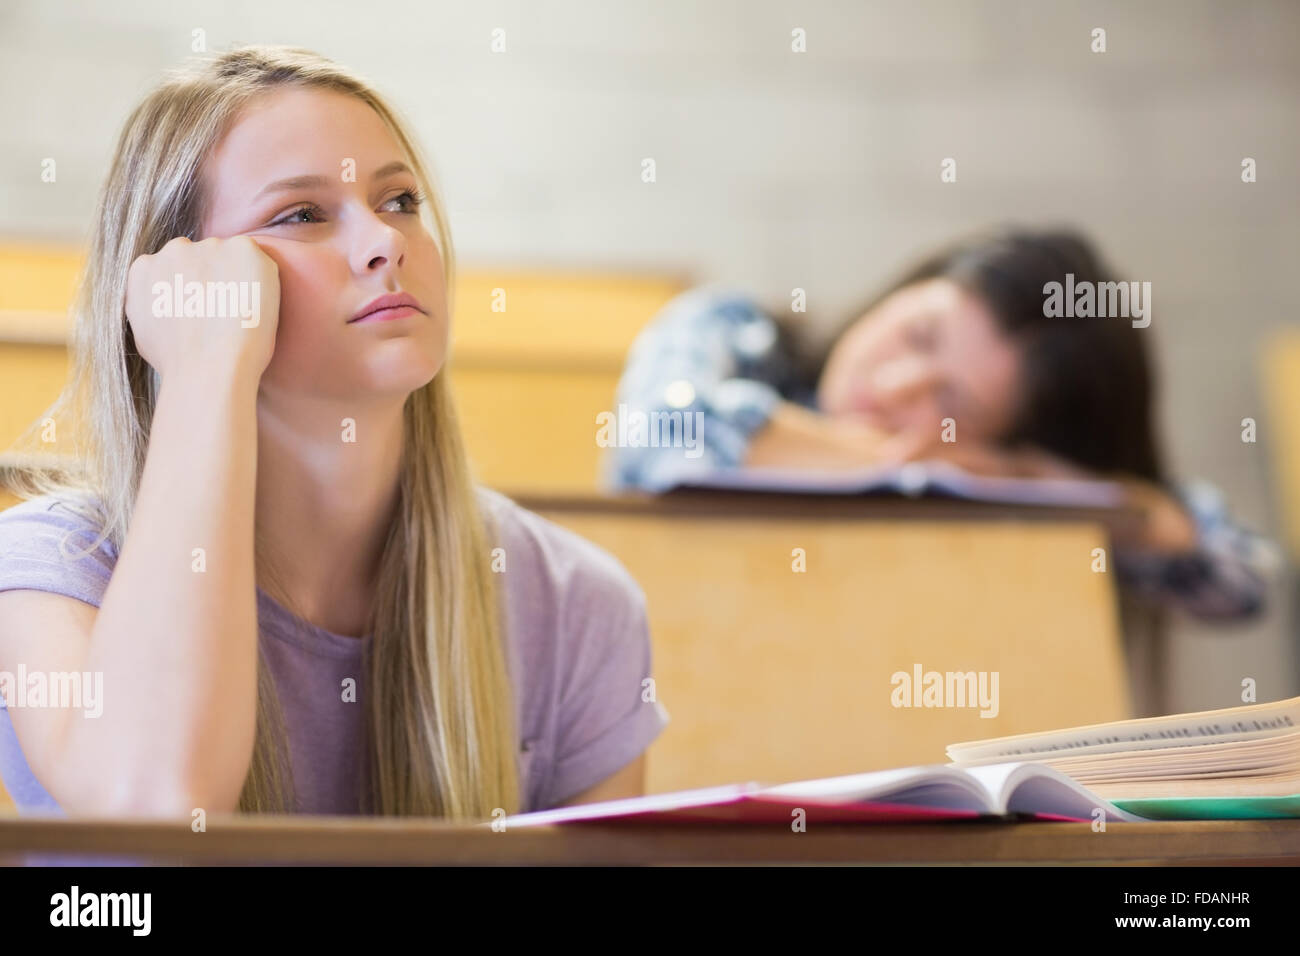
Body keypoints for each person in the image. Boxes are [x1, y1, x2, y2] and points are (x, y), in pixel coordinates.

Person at [0, 46, 668, 820]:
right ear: (181, 281)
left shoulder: (573, 604)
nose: (386, 243)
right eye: (303, 215)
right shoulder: (54, 571)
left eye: (400, 201)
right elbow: (157, 812)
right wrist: (202, 370)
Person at [607, 229, 1269, 620]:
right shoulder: (734, 331)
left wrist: (1027, 481)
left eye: (954, 407)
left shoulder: (989, 492)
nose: (894, 385)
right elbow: (661, 438)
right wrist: (904, 465)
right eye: (919, 335)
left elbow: (1238, 577)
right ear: (909, 285)